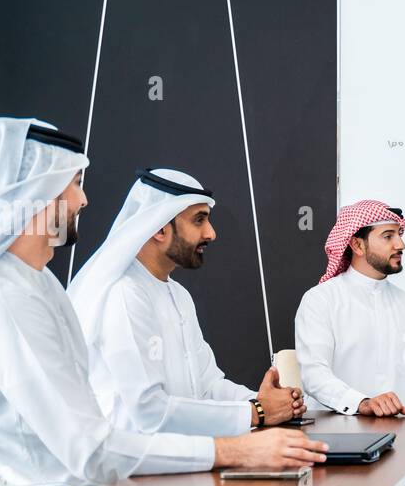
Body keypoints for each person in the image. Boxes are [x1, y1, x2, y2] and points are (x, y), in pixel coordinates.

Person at [0, 117, 325, 486]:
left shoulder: (38, 285)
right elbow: (91, 450)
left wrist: (255, 415)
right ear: (38, 194)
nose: (84, 200)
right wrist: (240, 446)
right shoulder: (2, 303)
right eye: (73, 185)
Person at [69, 168, 303, 435]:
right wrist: (257, 413)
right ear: (159, 228)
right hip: (133, 472)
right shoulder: (124, 294)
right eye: (198, 220)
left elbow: (207, 386)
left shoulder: (178, 295)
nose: (211, 233)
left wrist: (271, 402)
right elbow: (149, 412)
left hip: (181, 464)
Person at [294, 200, 405, 416]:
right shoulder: (320, 301)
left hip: (402, 435)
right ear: (357, 245)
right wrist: (362, 403)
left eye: (400, 235)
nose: (400, 245)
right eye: (388, 236)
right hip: (336, 435)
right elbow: (314, 375)